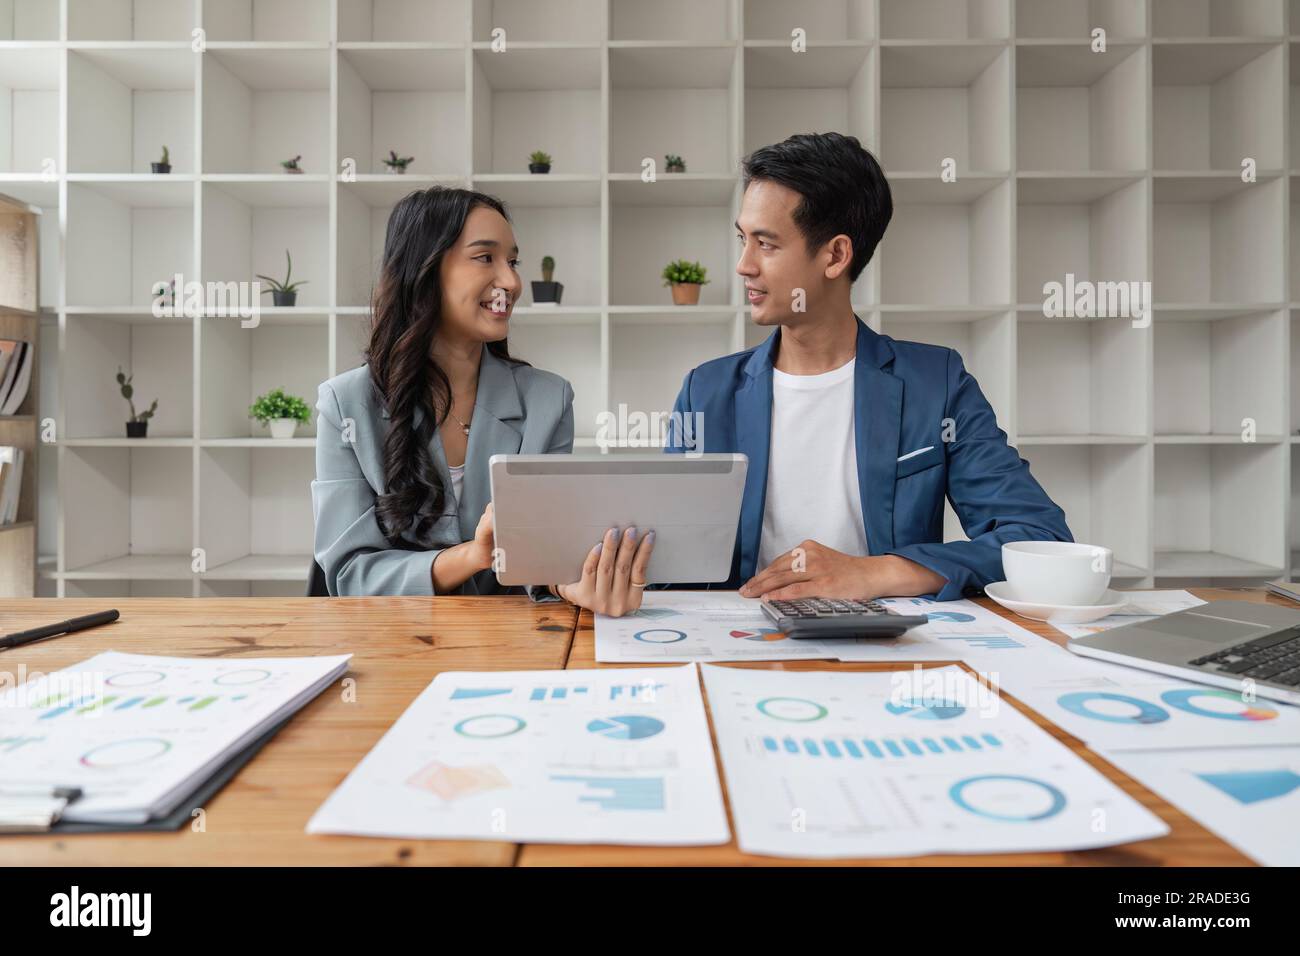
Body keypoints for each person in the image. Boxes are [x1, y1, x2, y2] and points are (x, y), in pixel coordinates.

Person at [665, 132, 1072, 602]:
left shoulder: (935, 384)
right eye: (742, 239)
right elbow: (673, 558)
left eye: (767, 244)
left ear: (835, 255)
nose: (743, 265)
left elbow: (1040, 538)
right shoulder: (706, 390)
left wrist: (879, 574)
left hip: (889, 650)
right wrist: (617, 578)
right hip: (740, 642)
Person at [312, 187, 653, 611]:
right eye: (484, 257)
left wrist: (570, 585)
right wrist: (472, 555)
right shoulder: (346, 404)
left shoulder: (549, 400)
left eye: (512, 261)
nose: (510, 281)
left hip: (512, 644)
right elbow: (349, 575)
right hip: (396, 643)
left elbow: (546, 553)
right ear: (425, 269)